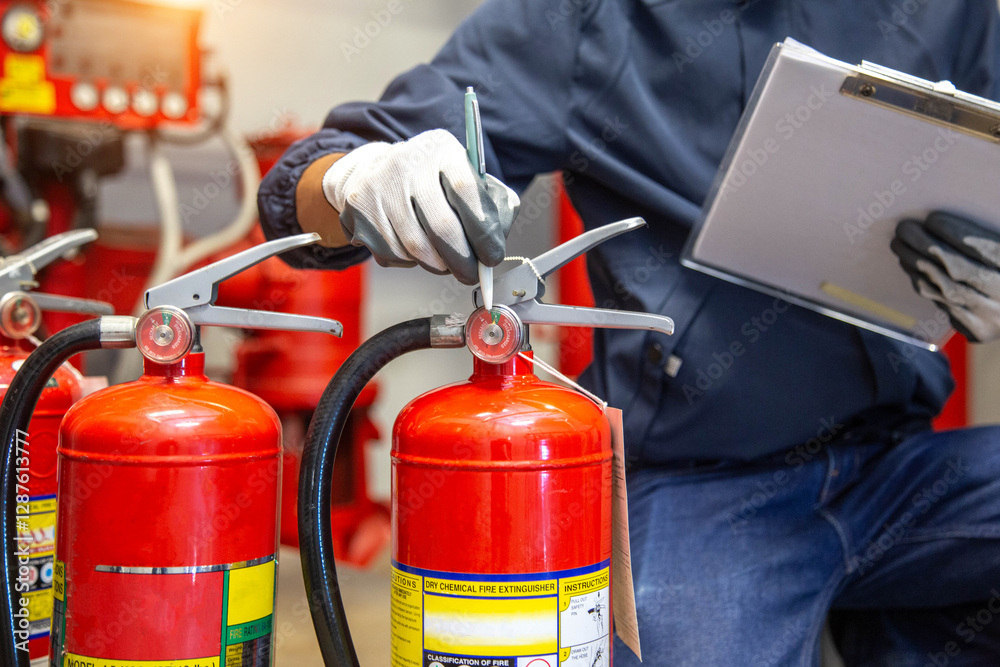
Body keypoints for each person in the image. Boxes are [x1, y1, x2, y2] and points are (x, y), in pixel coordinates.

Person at [258, 1, 1000, 664]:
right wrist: (358, 179)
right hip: (700, 488)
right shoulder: (588, 21)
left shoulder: (951, 11)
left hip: (906, 465)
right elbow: (300, 192)